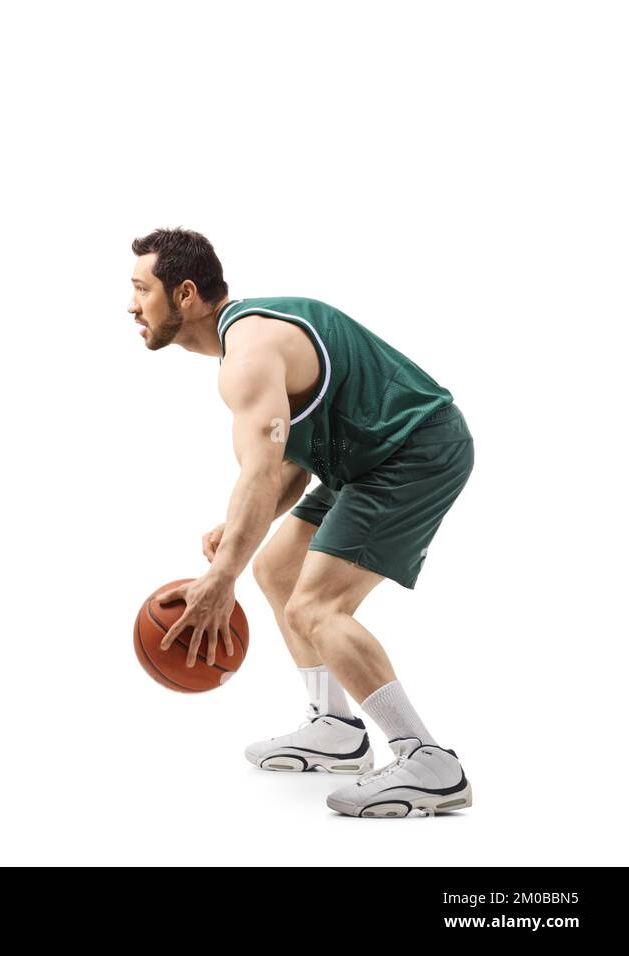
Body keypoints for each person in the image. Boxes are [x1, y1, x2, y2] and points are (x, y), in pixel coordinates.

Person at [128, 228, 474, 818]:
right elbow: (289, 463)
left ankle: (429, 761)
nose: (131, 304)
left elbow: (263, 475)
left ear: (185, 294)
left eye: (142, 289)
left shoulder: (248, 356)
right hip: (364, 459)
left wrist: (221, 578)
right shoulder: (255, 338)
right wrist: (238, 530)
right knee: (278, 566)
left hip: (413, 450)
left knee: (316, 608)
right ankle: (337, 728)